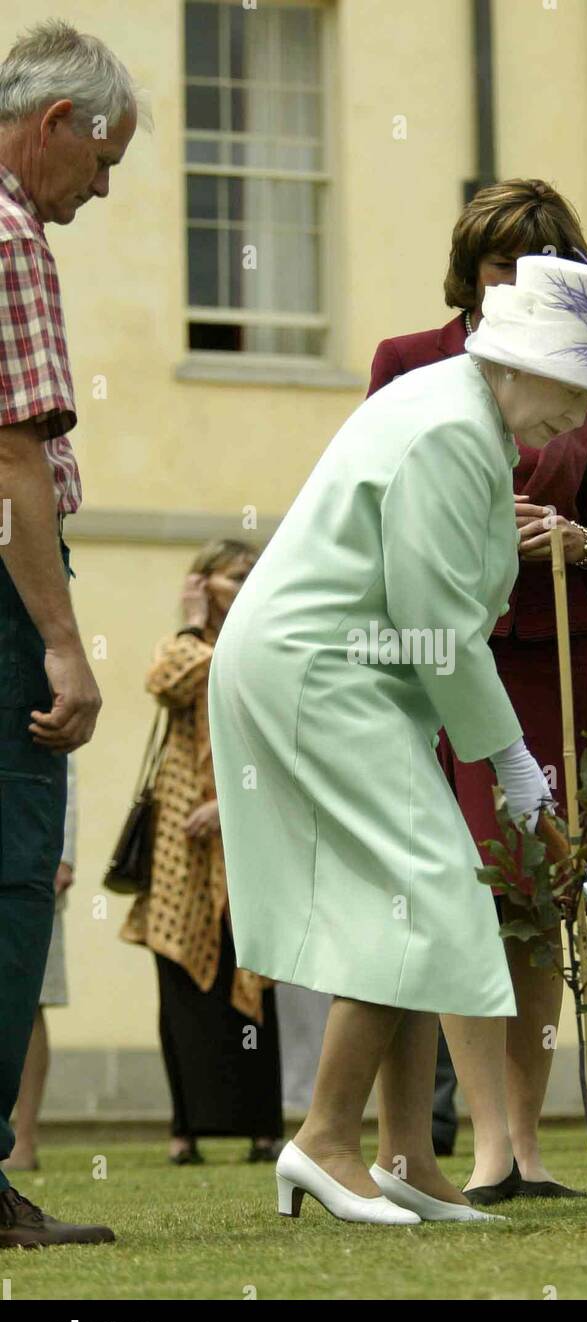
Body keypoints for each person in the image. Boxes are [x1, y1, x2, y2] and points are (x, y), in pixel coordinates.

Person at [208, 252, 587, 1225]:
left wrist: (507, 761)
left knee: (411, 888)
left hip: (354, 672)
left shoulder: (463, 413)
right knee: (428, 885)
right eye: (578, 390)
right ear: (523, 360)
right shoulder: (453, 427)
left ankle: (406, 1156)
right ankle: (323, 1141)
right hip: (323, 671)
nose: (581, 419)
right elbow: (434, 620)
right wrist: (512, 763)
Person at [368, 179, 587, 1198]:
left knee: (541, 896)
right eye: (498, 271)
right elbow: (379, 491)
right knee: (460, 888)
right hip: (444, 658)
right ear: (469, 274)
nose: (516, 288)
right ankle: (477, 1144)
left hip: (551, 655)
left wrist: (577, 541)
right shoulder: (409, 363)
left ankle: (525, 1143)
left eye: (538, 273)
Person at [0, 20, 145, 1249]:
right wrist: (61, 639)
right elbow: (11, 456)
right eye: (101, 162)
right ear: (55, 127)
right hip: (1, 602)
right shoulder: (10, 236)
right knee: (10, 871)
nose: (99, 191)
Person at [121, 541, 284, 1165]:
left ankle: (261, 1127)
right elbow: (164, 680)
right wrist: (190, 621)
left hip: (246, 836)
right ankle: (185, 1128)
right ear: (203, 584)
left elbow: (265, 709)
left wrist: (231, 807)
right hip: (179, 852)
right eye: (233, 578)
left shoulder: (263, 644)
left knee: (252, 972)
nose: (245, 587)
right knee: (181, 979)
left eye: (250, 577)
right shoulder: (188, 646)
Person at [1, 758, 77, 1173]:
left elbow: (66, 766)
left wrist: (64, 856)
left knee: (32, 1000)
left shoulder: (44, 691)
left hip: (32, 852)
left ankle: (24, 1140)